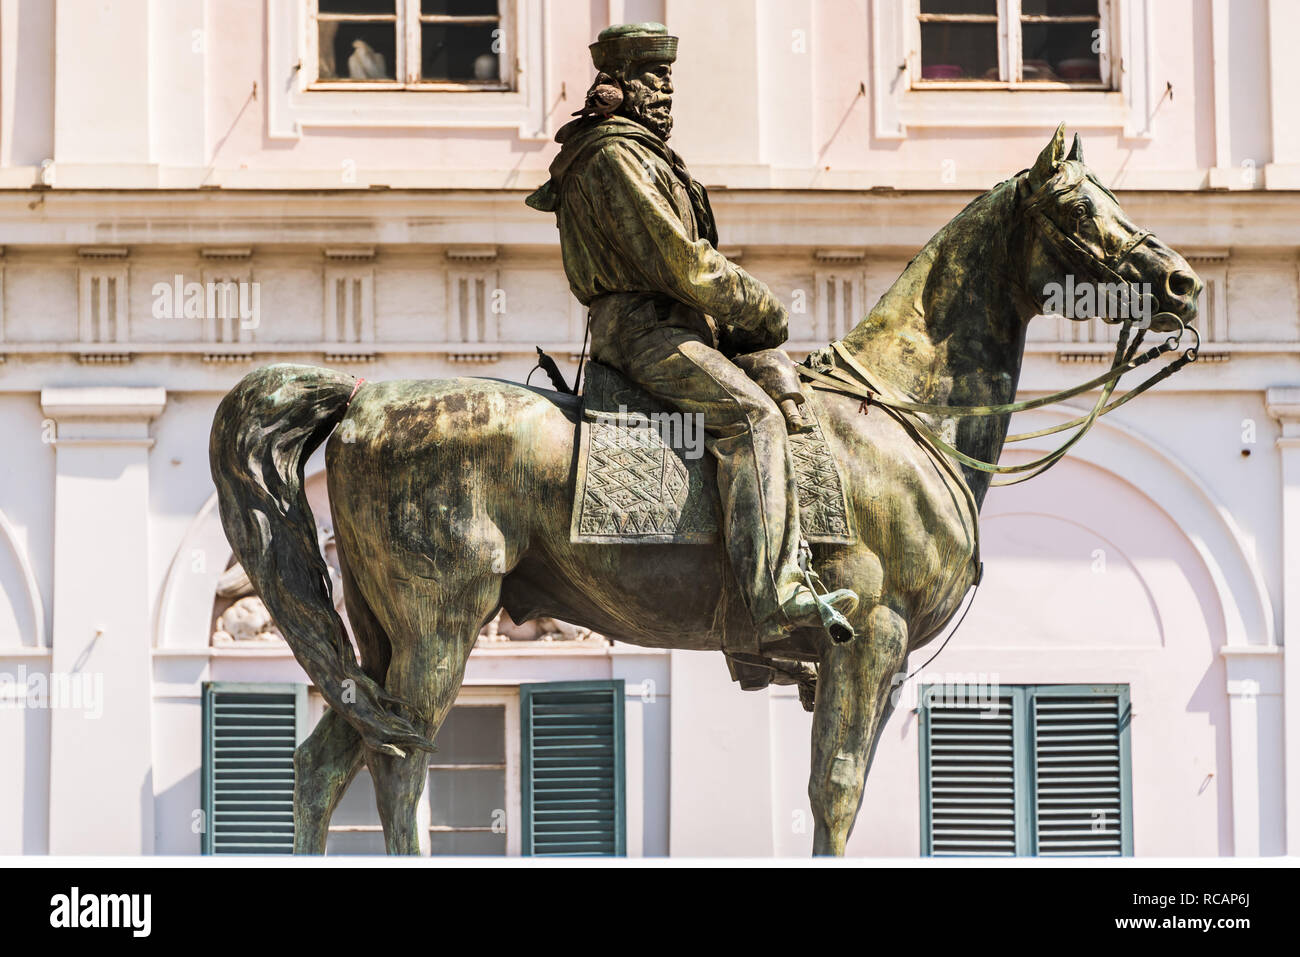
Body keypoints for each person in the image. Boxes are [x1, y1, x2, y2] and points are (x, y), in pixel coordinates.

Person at [526, 23, 858, 647]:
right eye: (652, 81)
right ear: (614, 88)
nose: (665, 94)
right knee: (751, 419)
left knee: (790, 396)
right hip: (646, 329)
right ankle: (774, 594)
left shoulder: (640, 152)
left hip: (675, 322)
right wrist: (757, 305)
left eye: (668, 82)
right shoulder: (612, 155)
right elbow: (681, 261)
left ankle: (756, 637)